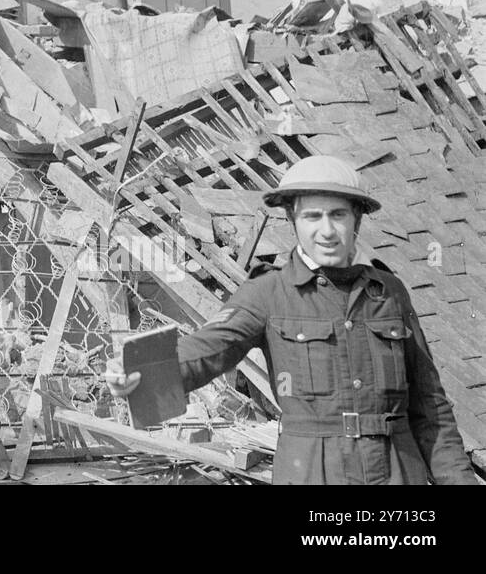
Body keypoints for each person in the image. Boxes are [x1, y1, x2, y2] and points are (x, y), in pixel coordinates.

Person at [103, 155, 478, 484]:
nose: (327, 231)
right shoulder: (269, 292)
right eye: (312, 216)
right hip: (312, 472)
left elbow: (430, 406)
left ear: (357, 220)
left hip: (398, 471)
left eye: (338, 215)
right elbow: (206, 351)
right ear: (292, 220)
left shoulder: (391, 292)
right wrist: (137, 373)